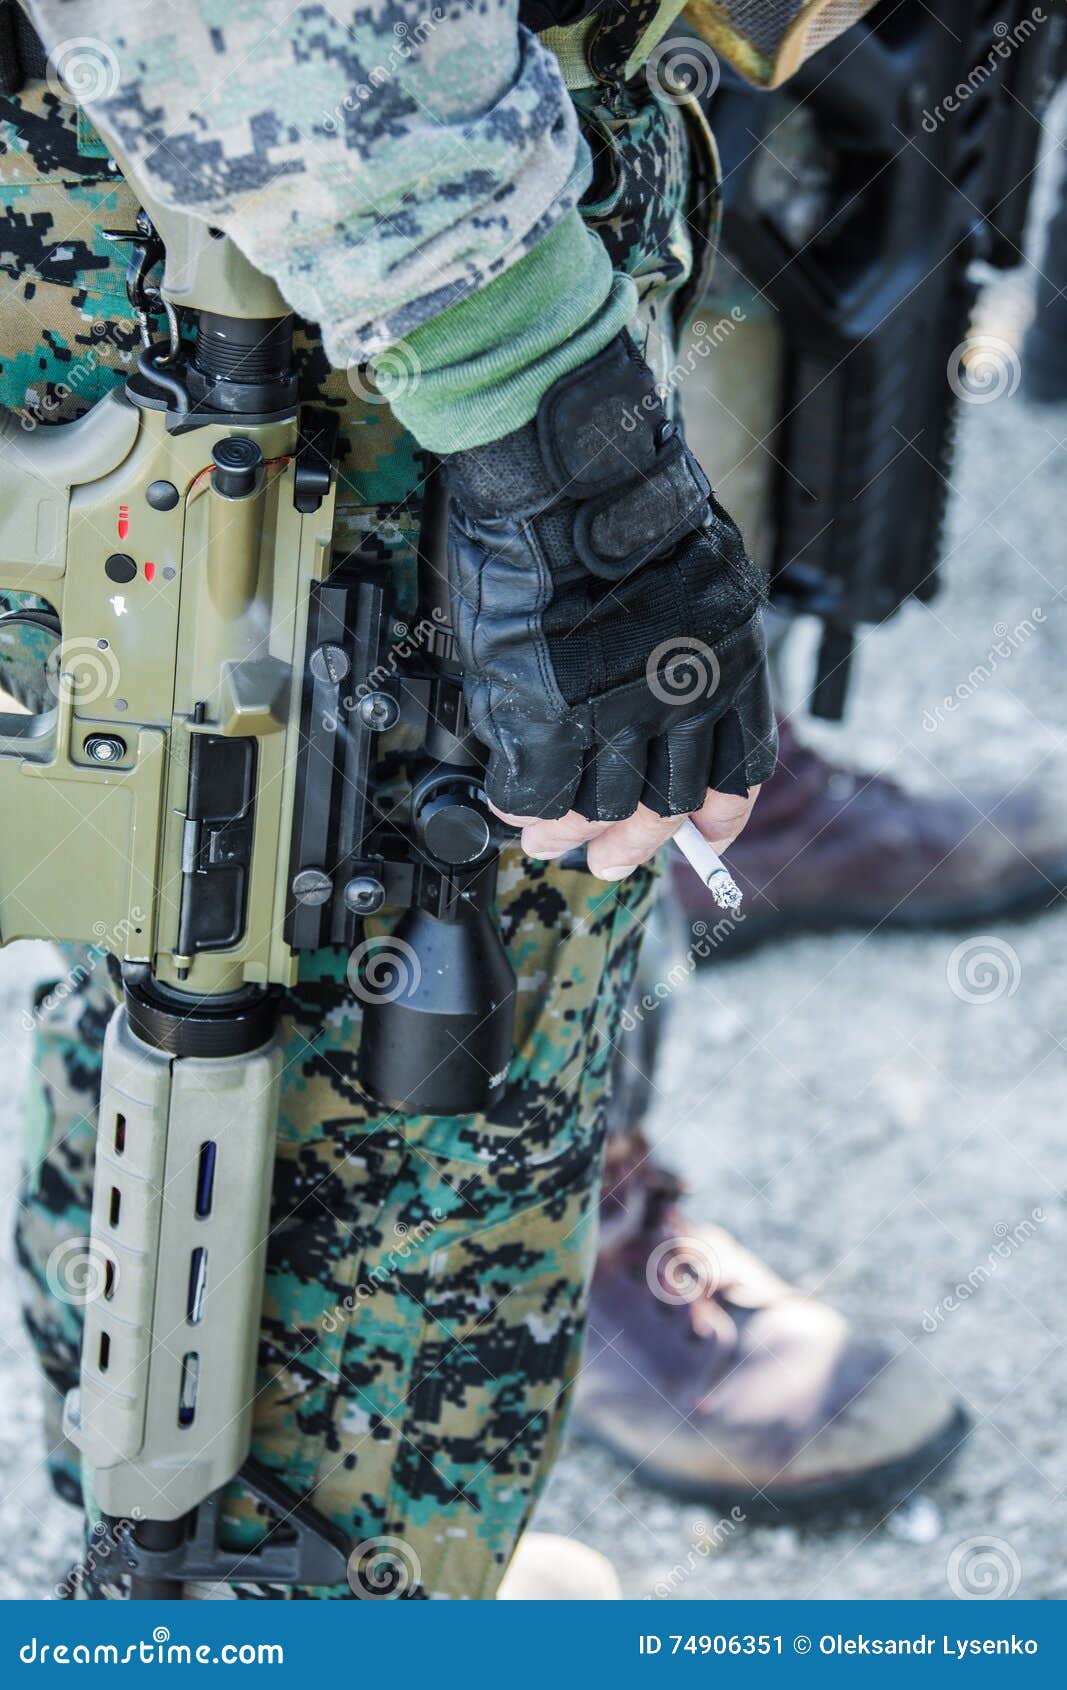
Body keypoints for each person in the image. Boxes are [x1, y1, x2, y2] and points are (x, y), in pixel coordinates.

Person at [1, 0, 957, 1598]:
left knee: (189, 957)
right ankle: (325, 1594)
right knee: (345, 1071)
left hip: (326, 202)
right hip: (323, 234)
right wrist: (534, 392)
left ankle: (214, 1585)